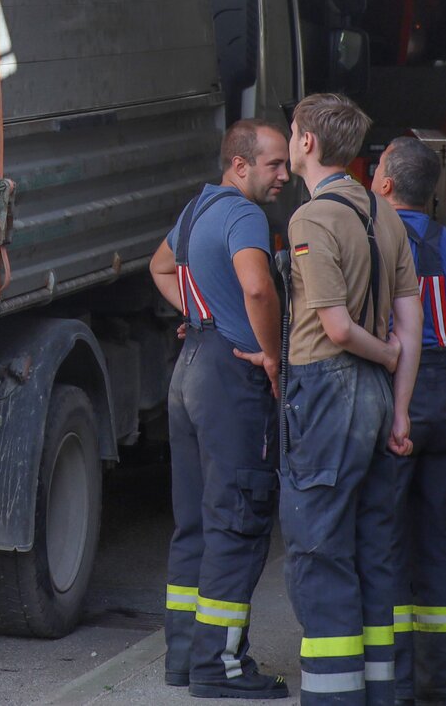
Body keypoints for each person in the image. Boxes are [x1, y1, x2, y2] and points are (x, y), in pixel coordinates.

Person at [281, 93, 422, 706]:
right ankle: (382, 693)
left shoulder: (311, 219)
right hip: (373, 399)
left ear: (308, 142)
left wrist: (384, 356)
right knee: (373, 547)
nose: (289, 142)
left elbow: (336, 327)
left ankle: (334, 697)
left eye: (291, 132)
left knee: (319, 548)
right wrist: (400, 408)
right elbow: (410, 320)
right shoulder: (383, 211)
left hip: (327, 389)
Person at [149, 119, 293, 698]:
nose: (284, 174)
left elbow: (159, 267)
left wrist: (199, 309)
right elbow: (258, 288)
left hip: (189, 368)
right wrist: (273, 355)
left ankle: (184, 659)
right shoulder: (244, 215)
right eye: (274, 164)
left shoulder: (195, 212)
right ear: (240, 165)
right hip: (231, 376)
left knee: (195, 524)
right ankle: (221, 667)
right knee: (236, 519)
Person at [370, 138, 446, 706]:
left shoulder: (377, 240)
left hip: (395, 402)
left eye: (376, 167)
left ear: (386, 184)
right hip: (440, 406)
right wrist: (443, 405)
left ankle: (397, 687)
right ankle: (444, 687)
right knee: (437, 544)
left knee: (384, 544)